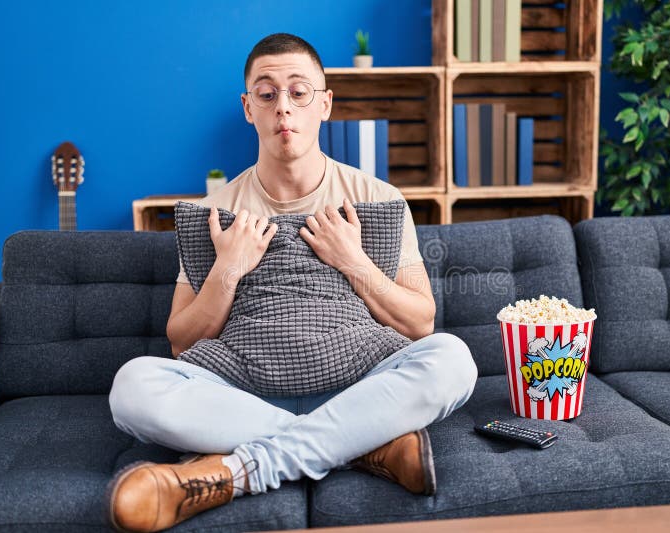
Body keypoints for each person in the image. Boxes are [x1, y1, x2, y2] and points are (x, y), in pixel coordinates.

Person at [107, 33, 478, 533]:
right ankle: (363, 447)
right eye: (267, 94)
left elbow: (420, 324)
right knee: (132, 387)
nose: (283, 107)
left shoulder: (378, 198)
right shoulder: (211, 212)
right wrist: (228, 267)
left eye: (299, 92)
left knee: (453, 358)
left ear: (325, 104)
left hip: (358, 388)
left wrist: (354, 261)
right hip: (244, 398)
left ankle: (240, 471)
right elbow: (182, 342)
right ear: (248, 108)